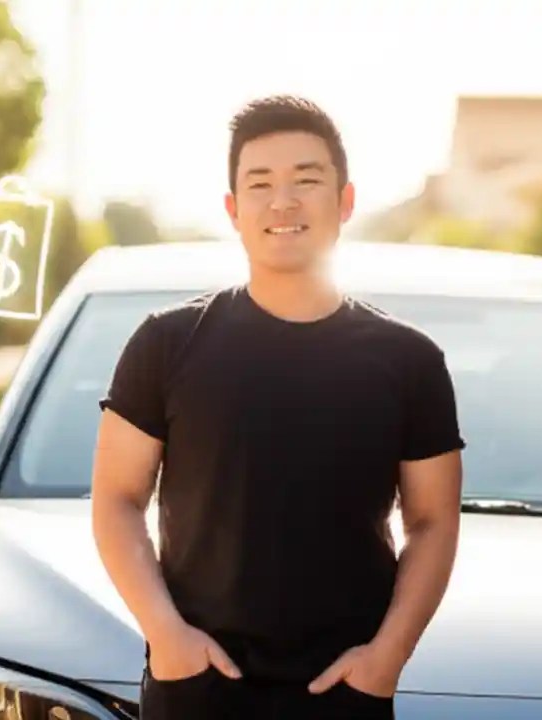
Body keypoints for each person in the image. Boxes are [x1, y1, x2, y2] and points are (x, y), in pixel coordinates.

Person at [90, 94, 466, 719]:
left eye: (306, 181)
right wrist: (167, 637)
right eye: (259, 184)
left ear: (344, 202)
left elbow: (433, 522)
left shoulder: (410, 360)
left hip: (344, 692)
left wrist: (386, 660)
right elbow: (116, 499)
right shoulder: (167, 343)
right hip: (196, 690)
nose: (282, 202)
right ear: (234, 210)